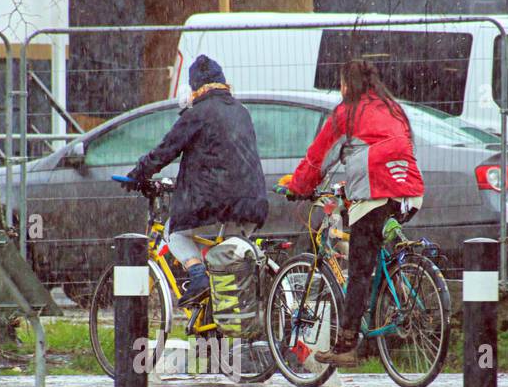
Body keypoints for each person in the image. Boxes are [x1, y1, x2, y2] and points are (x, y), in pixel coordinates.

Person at [280, 59, 425, 365]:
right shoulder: (393, 108)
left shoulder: (348, 113)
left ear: (349, 84)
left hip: (375, 193)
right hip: (409, 192)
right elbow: (386, 148)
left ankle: (347, 344)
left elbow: (319, 157)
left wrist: (298, 186)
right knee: (376, 250)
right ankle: (392, 295)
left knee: (359, 270)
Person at [125, 55, 268, 304]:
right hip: (252, 202)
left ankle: (197, 275)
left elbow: (165, 150)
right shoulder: (241, 111)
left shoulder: (198, 113)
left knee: (175, 234)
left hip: (216, 202)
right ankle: (217, 324)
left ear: (196, 87)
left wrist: (138, 174)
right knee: (226, 261)